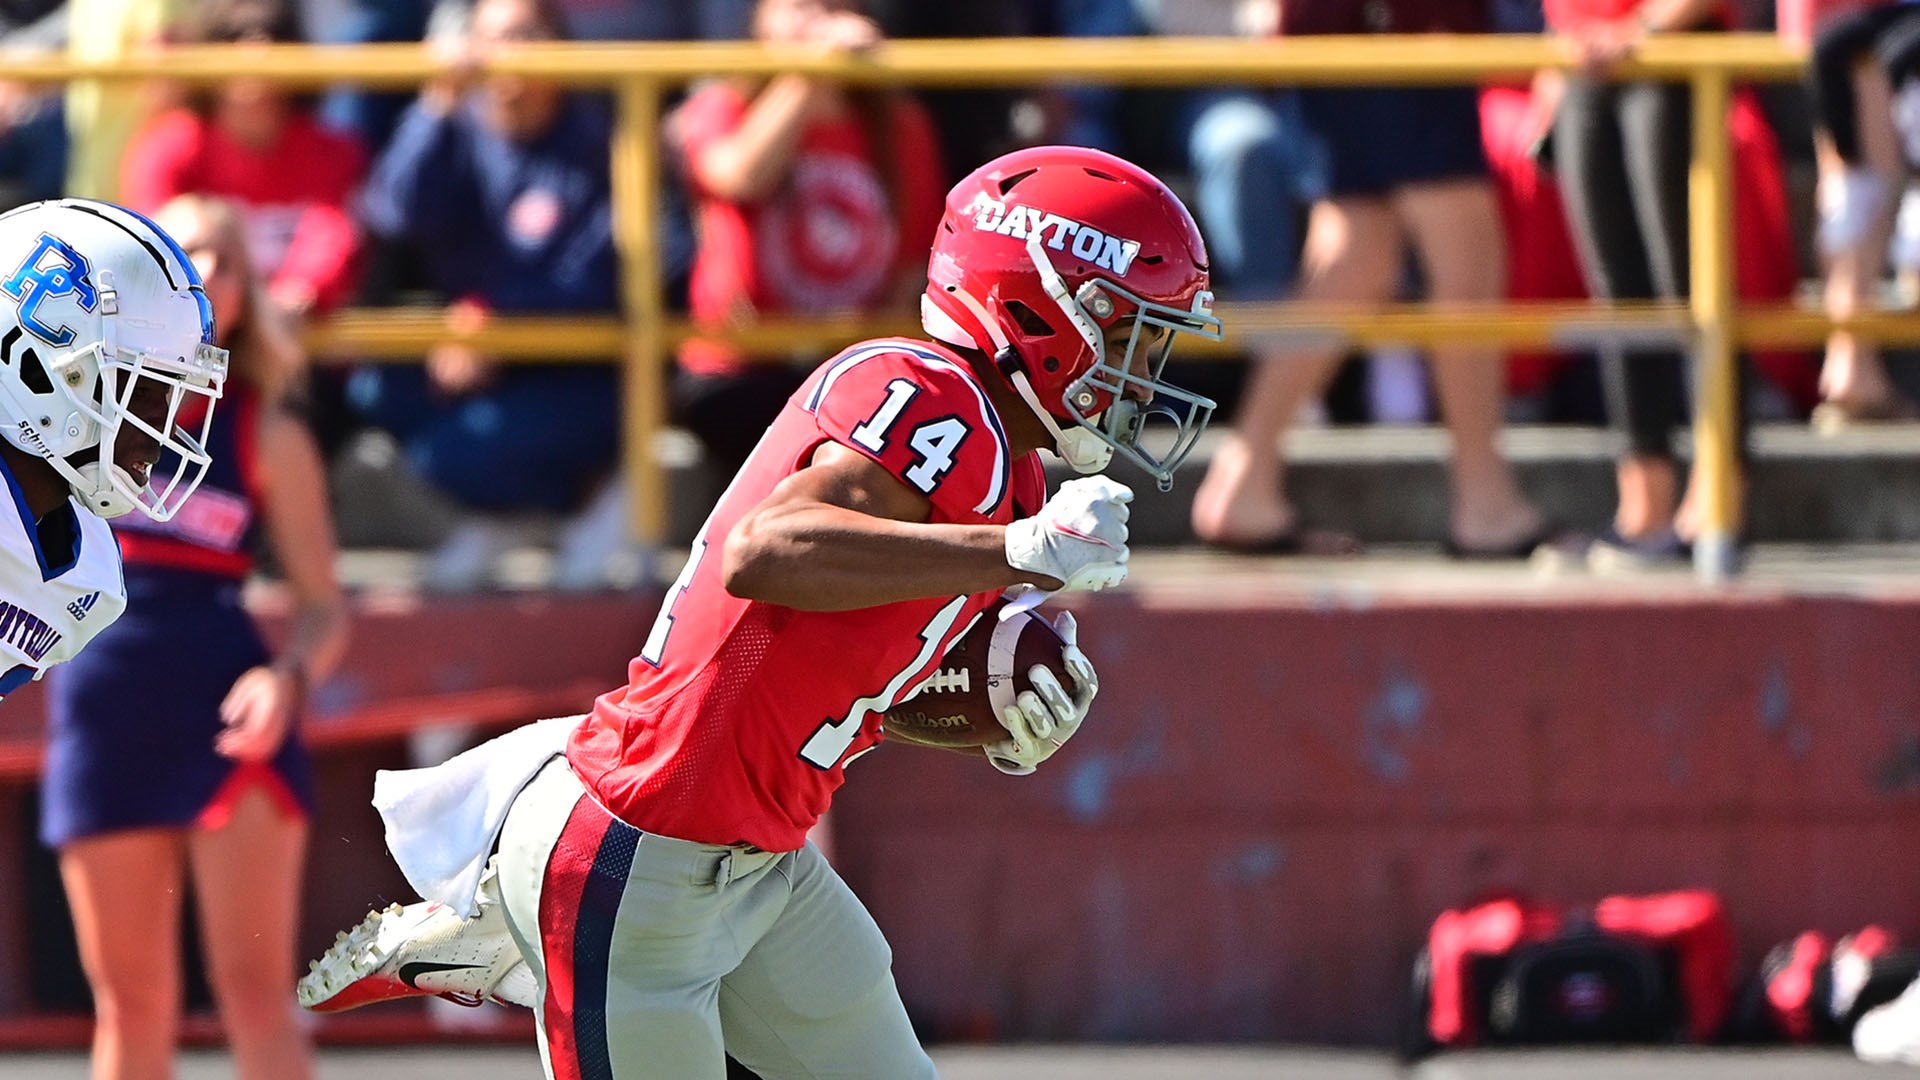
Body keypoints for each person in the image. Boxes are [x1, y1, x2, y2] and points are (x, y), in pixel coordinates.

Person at [297, 145, 1223, 1079]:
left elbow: (854, 683)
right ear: (1041, 305)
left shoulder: (1008, 468)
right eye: (1133, 338)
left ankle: (503, 928)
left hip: (761, 858)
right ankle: (516, 921)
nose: (1145, 376)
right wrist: (1016, 552)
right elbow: (766, 552)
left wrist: (993, 716)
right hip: (639, 849)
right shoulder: (927, 396)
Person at [42, 193, 348, 1080]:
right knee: (130, 1003)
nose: (208, 274)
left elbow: (325, 605)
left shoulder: (266, 427)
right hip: (100, 710)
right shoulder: (61, 405)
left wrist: (289, 678)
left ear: (249, 289)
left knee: (255, 996)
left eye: (227, 259)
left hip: (227, 715)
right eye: (187, 256)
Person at [1187, 0, 1554, 558]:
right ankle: (1487, 503)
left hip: (1366, 33)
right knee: (1461, 263)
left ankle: (1243, 482)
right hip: (1399, 33)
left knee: (1360, 254)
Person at [351, 0, 632, 590]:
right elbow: (393, 213)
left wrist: (494, 327)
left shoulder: (602, 140)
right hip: (468, 357)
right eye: (492, 38)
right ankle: (512, 518)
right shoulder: (461, 127)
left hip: (575, 367)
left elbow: (599, 280)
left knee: (465, 449)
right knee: (373, 385)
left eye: (526, 35)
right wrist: (437, 103)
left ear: (561, 47)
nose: (508, 55)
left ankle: (591, 499)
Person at [669, 0, 945, 475]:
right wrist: (808, 77)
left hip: (851, 368)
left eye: (830, 6)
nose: (816, 21)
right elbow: (739, 176)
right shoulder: (722, 105)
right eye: (798, 6)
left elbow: (912, 260)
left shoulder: (899, 124)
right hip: (742, 367)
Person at [0, 197, 226, 697]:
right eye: (139, 390)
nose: (161, 429)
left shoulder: (89, 577)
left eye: (170, 395)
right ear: (32, 365)